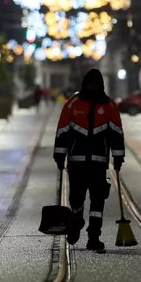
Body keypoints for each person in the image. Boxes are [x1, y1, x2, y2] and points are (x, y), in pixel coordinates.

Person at [53, 69, 125, 252]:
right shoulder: (72, 104)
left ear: (100, 86)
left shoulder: (109, 106)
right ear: (84, 84)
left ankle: (94, 236)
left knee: (97, 201)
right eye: (89, 84)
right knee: (76, 198)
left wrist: (118, 156)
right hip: (76, 162)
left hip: (98, 163)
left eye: (95, 84)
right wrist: (59, 154)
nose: (92, 87)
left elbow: (116, 133)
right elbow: (62, 130)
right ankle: (76, 222)